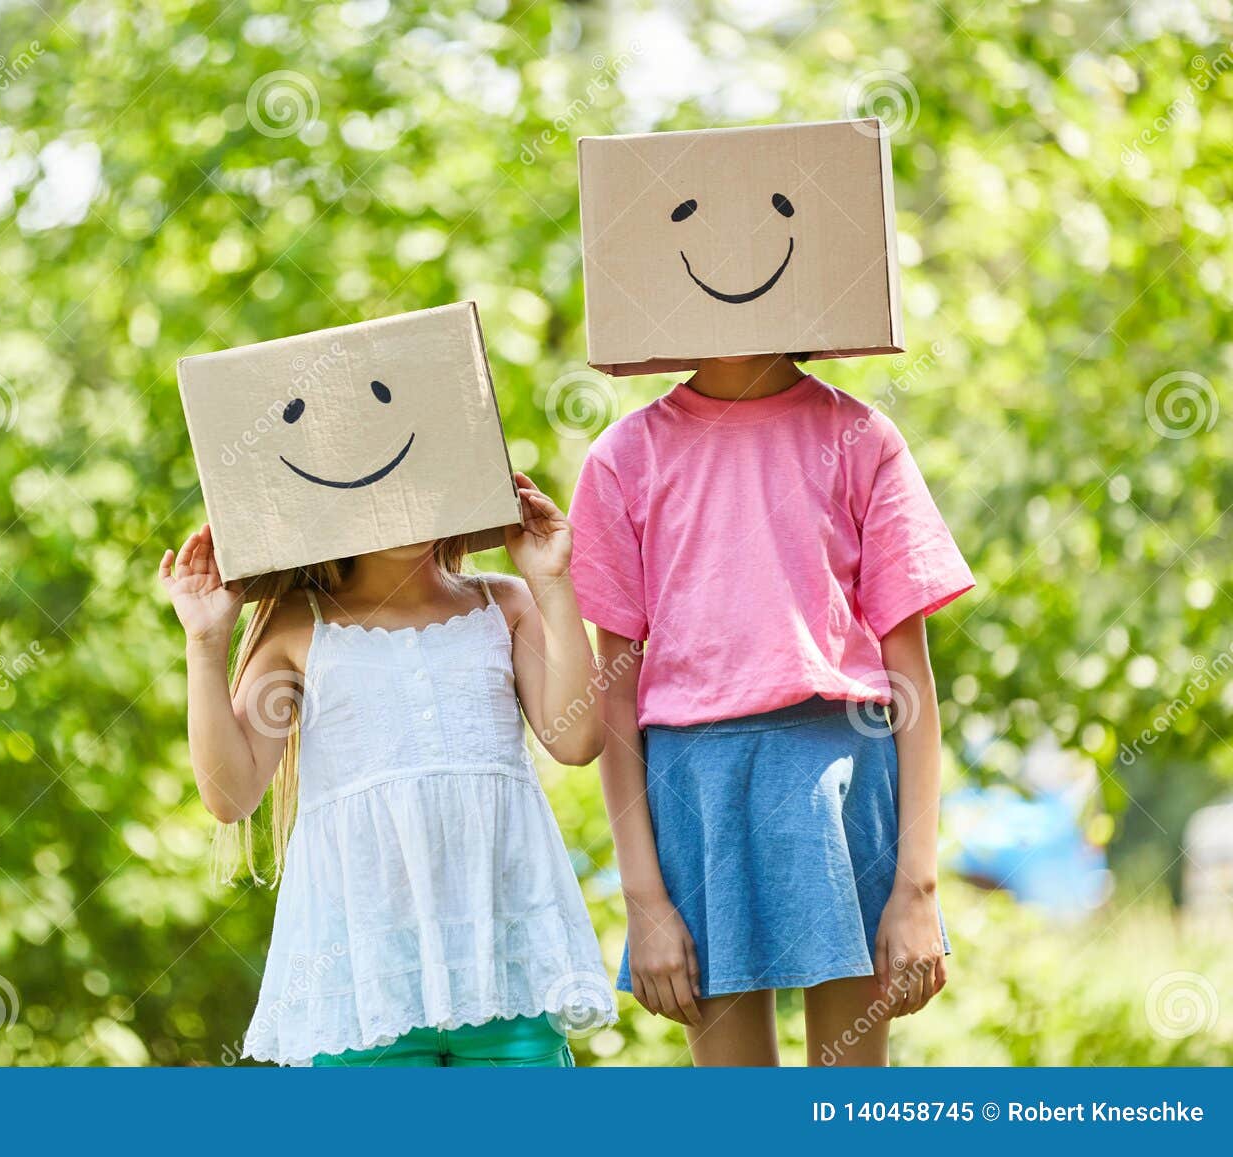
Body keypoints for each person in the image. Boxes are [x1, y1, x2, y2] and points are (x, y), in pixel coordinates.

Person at [568, 355, 973, 1066]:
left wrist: (916, 886)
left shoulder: (863, 437)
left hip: (846, 794)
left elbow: (911, 675)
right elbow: (616, 693)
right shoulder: (624, 458)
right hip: (698, 799)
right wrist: (644, 897)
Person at [160, 472, 615, 1066]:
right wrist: (205, 643)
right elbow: (231, 794)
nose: (401, 495)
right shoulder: (299, 627)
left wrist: (551, 582)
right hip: (365, 988)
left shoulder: (503, 606)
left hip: (505, 969)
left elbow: (577, 738)